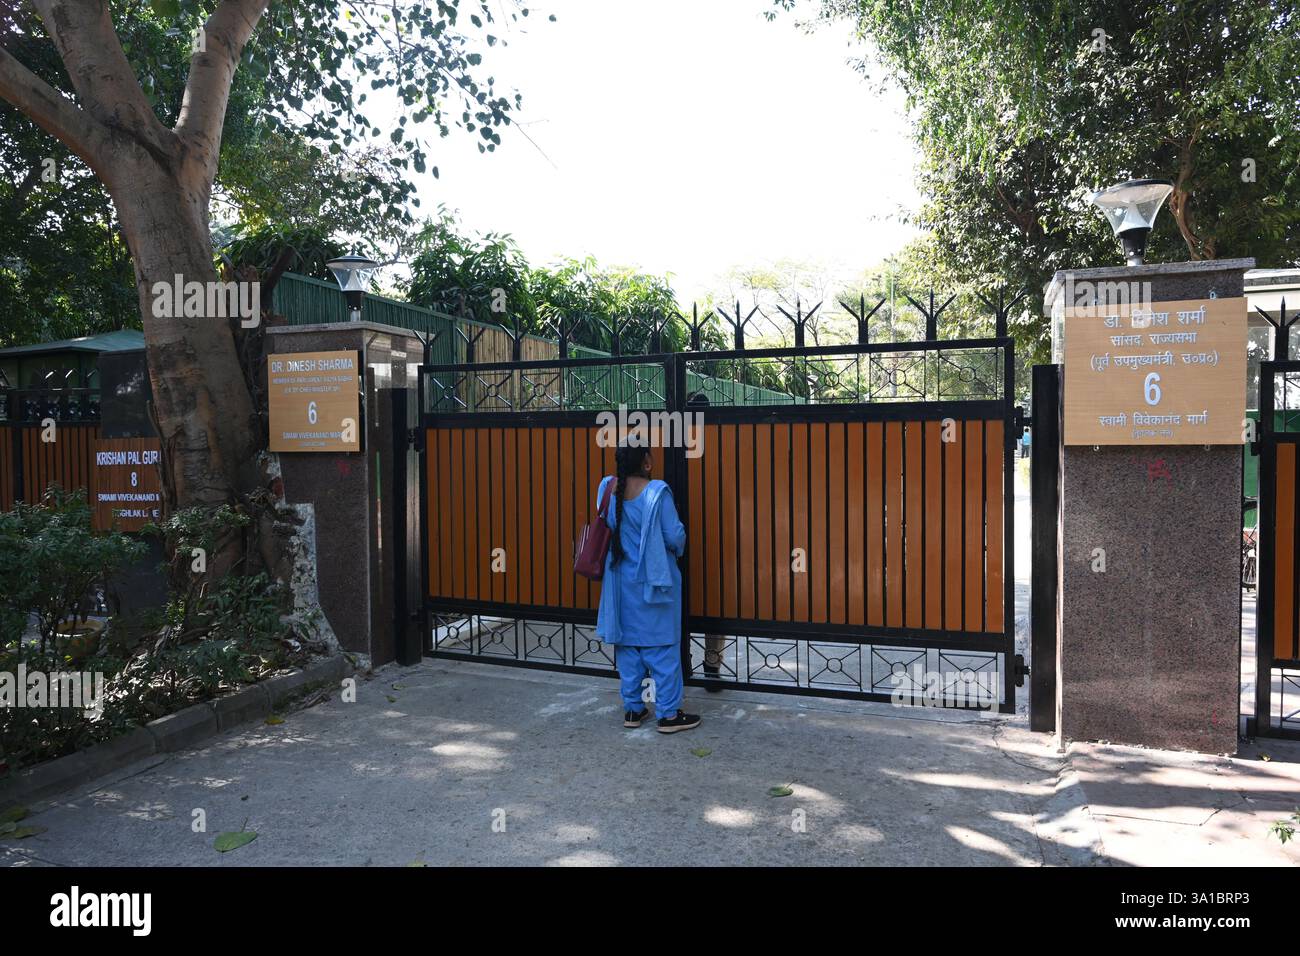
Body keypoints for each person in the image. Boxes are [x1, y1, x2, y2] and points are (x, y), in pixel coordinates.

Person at [595, 442, 701, 734]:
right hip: (654, 583)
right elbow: (674, 536)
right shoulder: (657, 493)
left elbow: (606, 521)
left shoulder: (607, 487)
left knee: (628, 647)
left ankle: (633, 709)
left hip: (619, 583)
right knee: (663, 648)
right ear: (647, 462)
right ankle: (668, 715)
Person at [687, 391, 726, 691]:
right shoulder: (721, 441)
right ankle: (711, 665)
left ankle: (682, 660)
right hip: (717, 534)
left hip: (681, 535)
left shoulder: (672, 440)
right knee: (715, 604)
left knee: (680, 604)